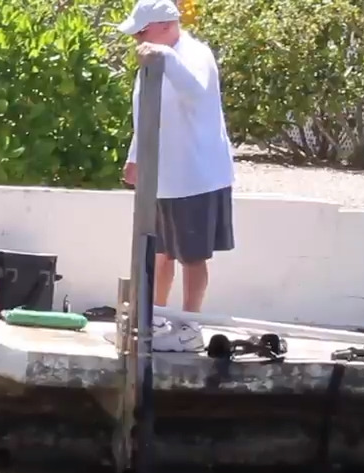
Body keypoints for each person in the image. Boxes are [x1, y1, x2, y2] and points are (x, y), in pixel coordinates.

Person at [118, 0, 235, 353]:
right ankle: (155, 319)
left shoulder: (194, 54)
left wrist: (166, 57)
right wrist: (135, 157)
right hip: (162, 175)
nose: (138, 39)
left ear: (167, 25)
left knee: (192, 256)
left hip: (196, 175)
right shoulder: (153, 59)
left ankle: (190, 327)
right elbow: (146, 113)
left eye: (143, 31)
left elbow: (195, 91)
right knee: (160, 252)